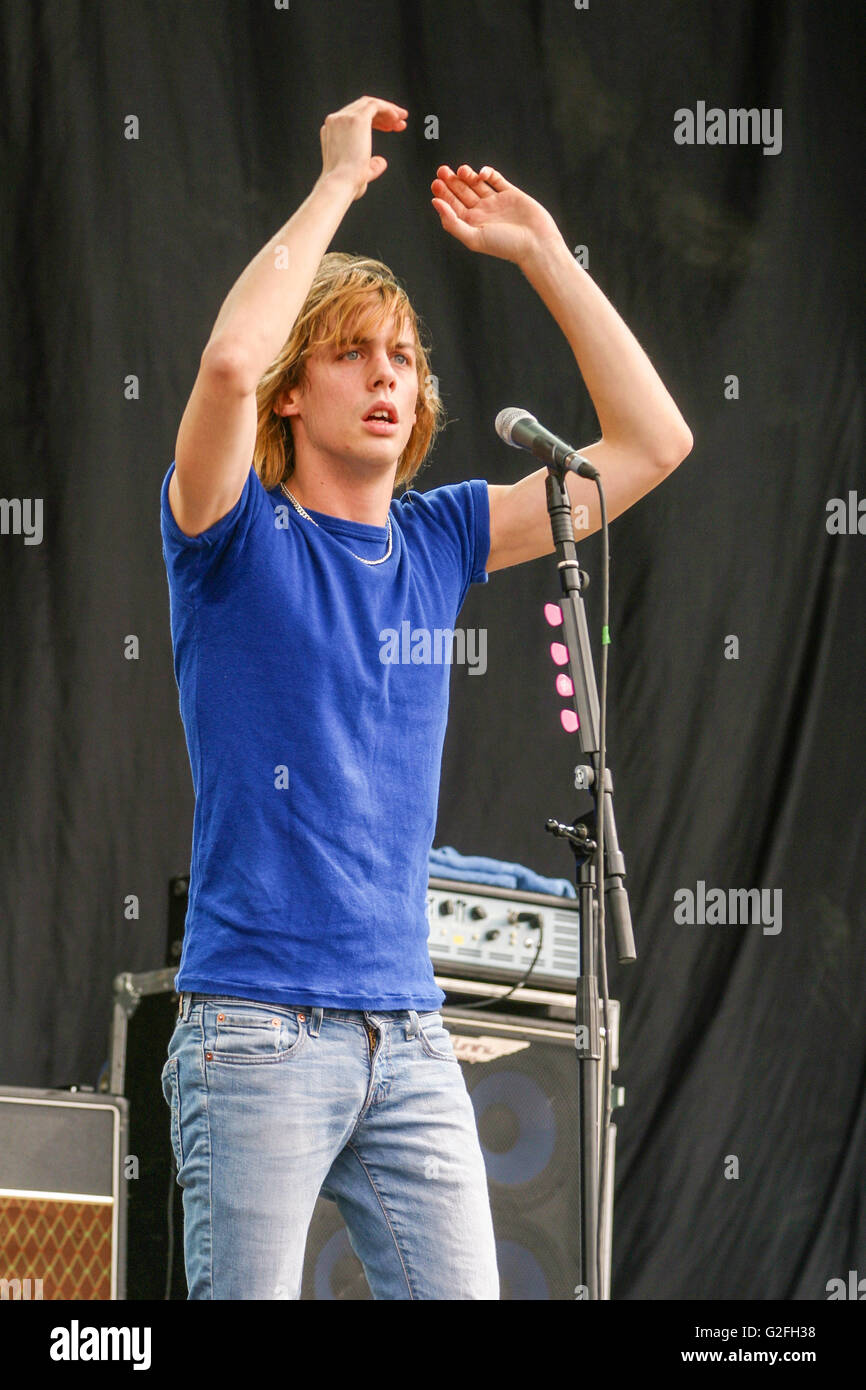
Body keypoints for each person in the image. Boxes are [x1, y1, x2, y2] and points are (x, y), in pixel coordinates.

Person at [159, 95, 693, 1301]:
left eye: (401, 355)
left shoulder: (438, 536)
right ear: (296, 393)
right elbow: (231, 360)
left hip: (406, 1032)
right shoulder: (230, 533)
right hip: (254, 1026)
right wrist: (339, 182)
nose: (387, 375)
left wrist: (545, 254)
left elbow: (650, 441)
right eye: (352, 352)